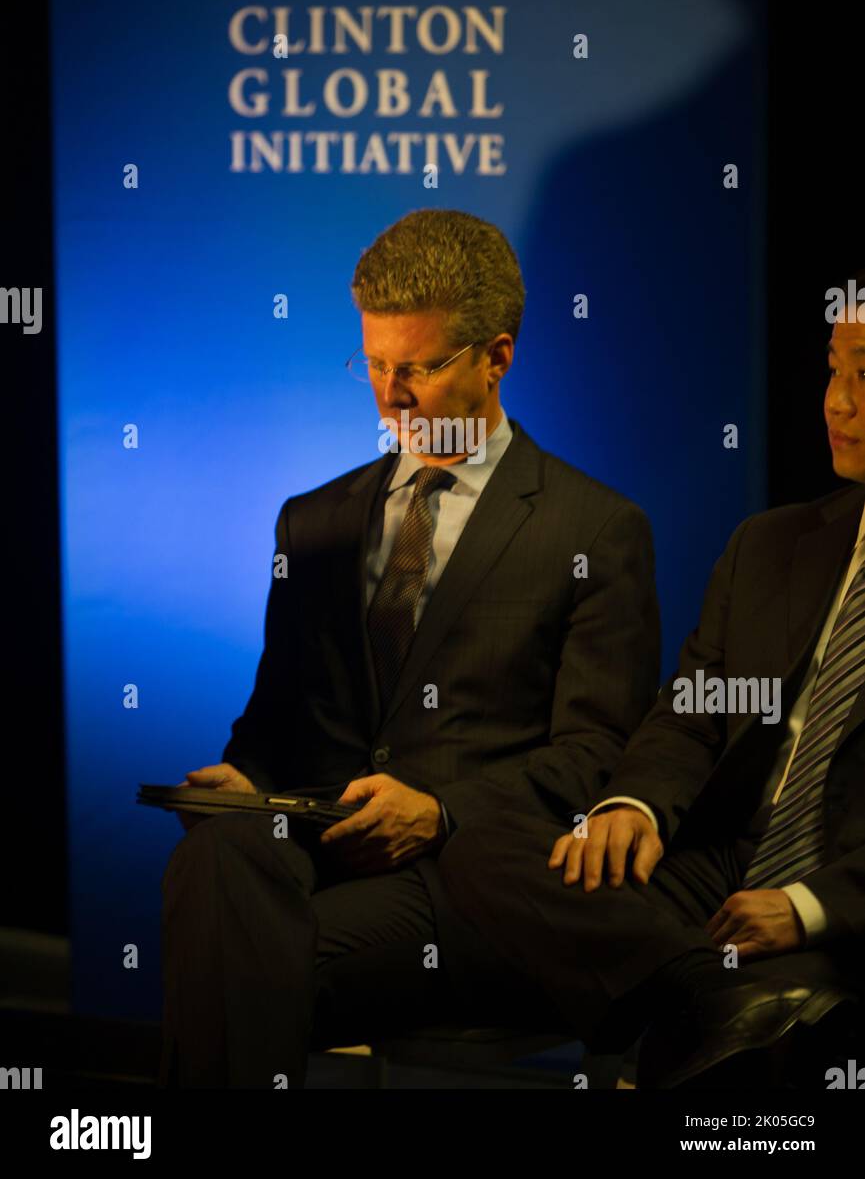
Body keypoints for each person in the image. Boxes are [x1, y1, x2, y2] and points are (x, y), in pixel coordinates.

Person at [157, 208, 660, 1087]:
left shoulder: (594, 529)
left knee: (236, 955)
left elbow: (598, 753)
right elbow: (273, 727)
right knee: (216, 855)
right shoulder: (312, 521)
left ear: (497, 357)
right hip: (307, 844)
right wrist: (247, 784)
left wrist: (440, 810)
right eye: (376, 366)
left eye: (419, 370)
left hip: (461, 872)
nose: (391, 398)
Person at [436, 295, 865, 1088]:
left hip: (841, 892)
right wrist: (630, 807)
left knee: (744, 1061)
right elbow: (692, 715)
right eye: (832, 371)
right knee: (484, 842)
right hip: (719, 860)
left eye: (863, 376)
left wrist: (811, 906)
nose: (836, 403)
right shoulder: (772, 545)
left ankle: (702, 1006)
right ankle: (700, 991)